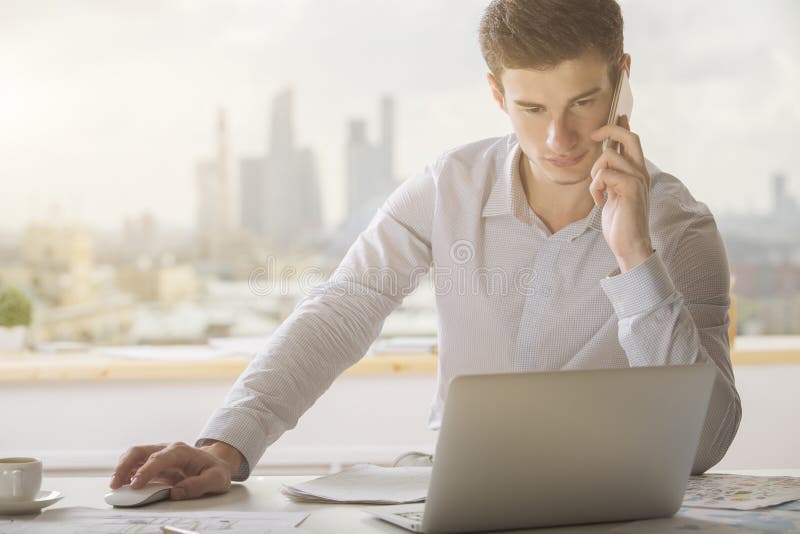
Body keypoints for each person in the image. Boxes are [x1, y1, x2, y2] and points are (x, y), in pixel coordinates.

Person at [110, 0, 742, 501]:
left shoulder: (677, 225)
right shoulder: (449, 187)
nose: (560, 139)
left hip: (621, 511)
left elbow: (706, 445)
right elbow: (341, 310)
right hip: (464, 496)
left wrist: (635, 255)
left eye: (582, 102)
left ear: (621, 81)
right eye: (531, 107)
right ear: (497, 95)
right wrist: (226, 443)